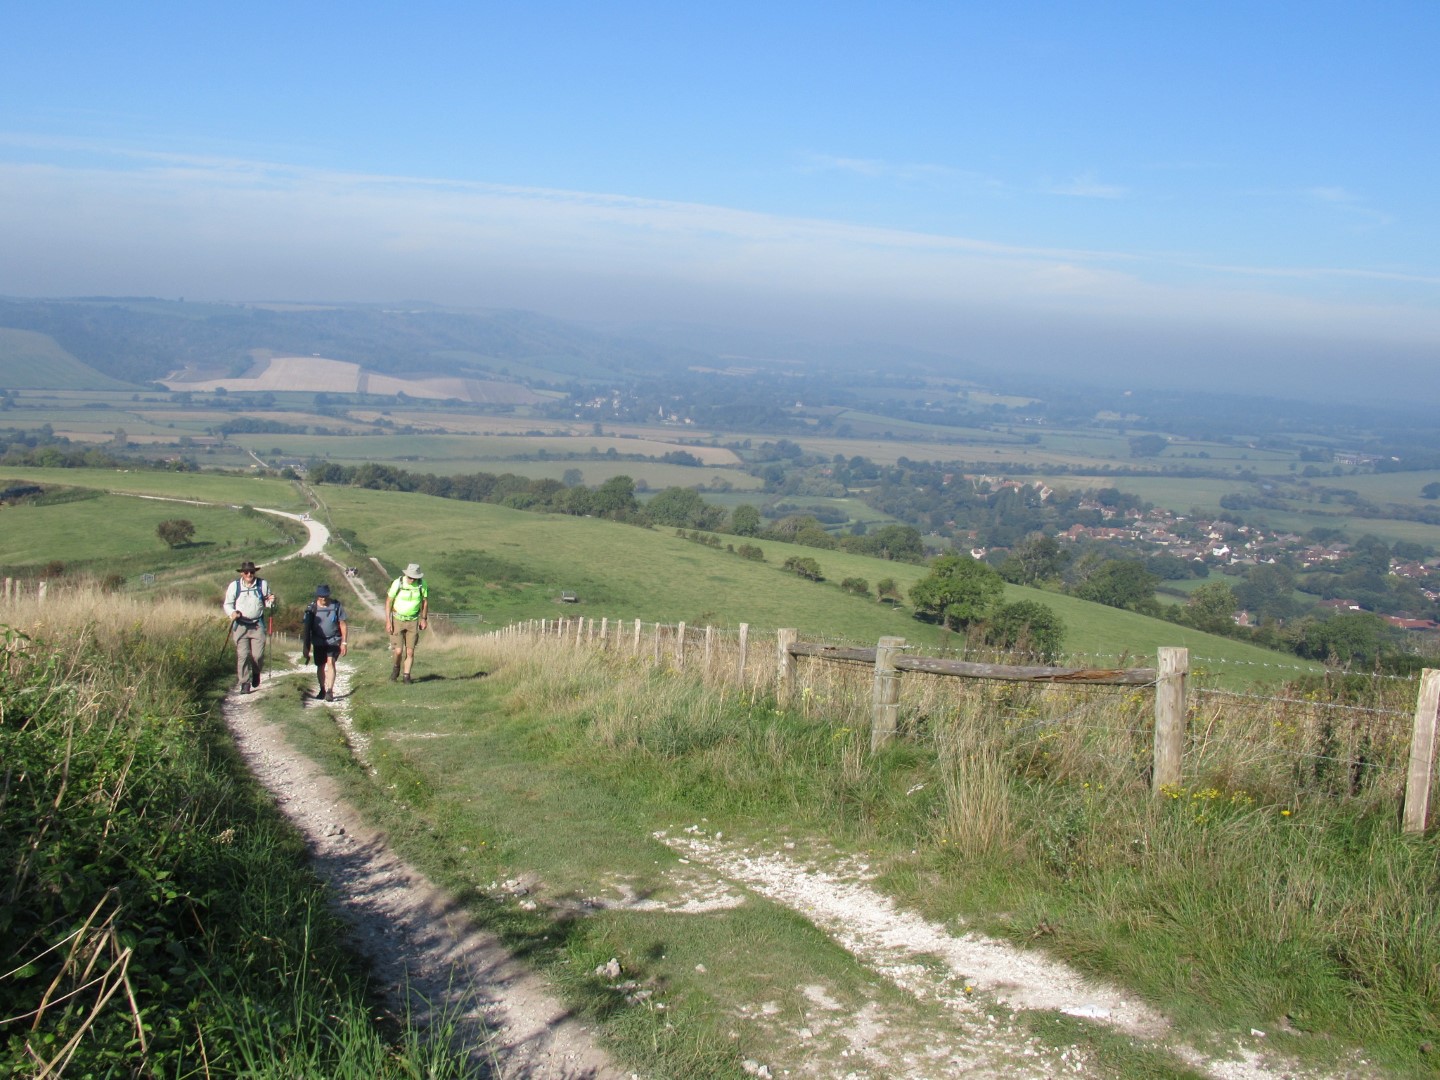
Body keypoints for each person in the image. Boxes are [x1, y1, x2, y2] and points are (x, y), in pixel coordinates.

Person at [222, 560, 275, 694]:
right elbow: (227, 604)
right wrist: (232, 613)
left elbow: (267, 603)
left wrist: (271, 601)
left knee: (258, 656)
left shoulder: (262, 584)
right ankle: (244, 683)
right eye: (246, 572)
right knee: (243, 655)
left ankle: (256, 672)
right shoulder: (234, 586)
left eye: (252, 572)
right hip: (240, 624)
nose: (249, 574)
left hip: (257, 624)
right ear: (242, 574)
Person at [300, 584, 348, 702]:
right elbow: (307, 628)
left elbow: (342, 624)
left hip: (333, 639)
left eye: (325, 596)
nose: (323, 599)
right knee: (320, 665)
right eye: (321, 596)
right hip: (318, 641)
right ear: (317, 596)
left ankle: (330, 690)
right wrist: (306, 647)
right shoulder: (311, 608)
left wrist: (344, 642)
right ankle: (322, 688)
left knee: (330, 662)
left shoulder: (336, 606)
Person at [385, 562, 428, 683]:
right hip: (397, 619)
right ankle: (396, 668)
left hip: (413, 620)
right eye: (410, 577)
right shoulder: (397, 583)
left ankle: (406, 676)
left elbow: (424, 602)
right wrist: (388, 621)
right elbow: (389, 601)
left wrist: (423, 618)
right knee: (398, 651)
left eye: (415, 578)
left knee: (410, 651)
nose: (412, 580)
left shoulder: (422, 585)